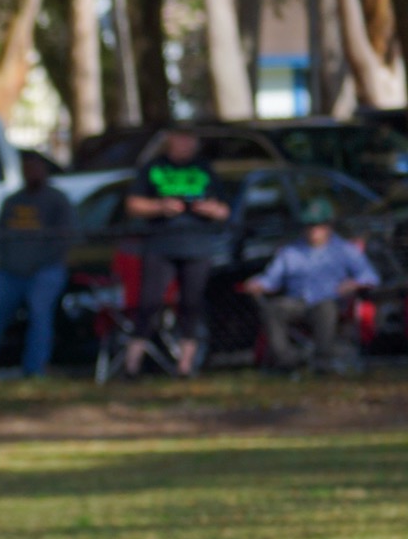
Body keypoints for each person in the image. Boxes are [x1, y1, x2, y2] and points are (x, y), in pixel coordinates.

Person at [122, 128, 229, 377]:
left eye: (190, 138)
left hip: (197, 247)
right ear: (169, 140)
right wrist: (161, 206)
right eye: (180, 138)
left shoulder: (204, 169)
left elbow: (224, 210)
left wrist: (210, 209)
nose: (186, 143)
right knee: (149, 303)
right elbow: (132, 204)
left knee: (191, 304)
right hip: (161, 246)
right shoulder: (154, 167)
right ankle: (131, 366)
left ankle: (185, 367)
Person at [0, 153, 76, 379]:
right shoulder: (13, 201)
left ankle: (35, 370)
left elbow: (66, 238)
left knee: (40, 313)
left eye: (35, 168)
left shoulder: (57, 200)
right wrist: (10, 261)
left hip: (45, 270)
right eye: (27, 168)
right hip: (10, 272)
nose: (31, 173)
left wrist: (39, 262)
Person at [241, 199, 378, 373]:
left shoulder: (345, 250)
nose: (313, 230)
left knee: (326, 308)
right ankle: (286, 361)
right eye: (309, 225)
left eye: (318, 225)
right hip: (297, 302)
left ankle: (323, 361)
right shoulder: (290, 251)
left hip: (331, 302)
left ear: (328, 226)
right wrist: (257, 284)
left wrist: (354, 283)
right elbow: (271, 279)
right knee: (272, 309)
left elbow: (370, 276)